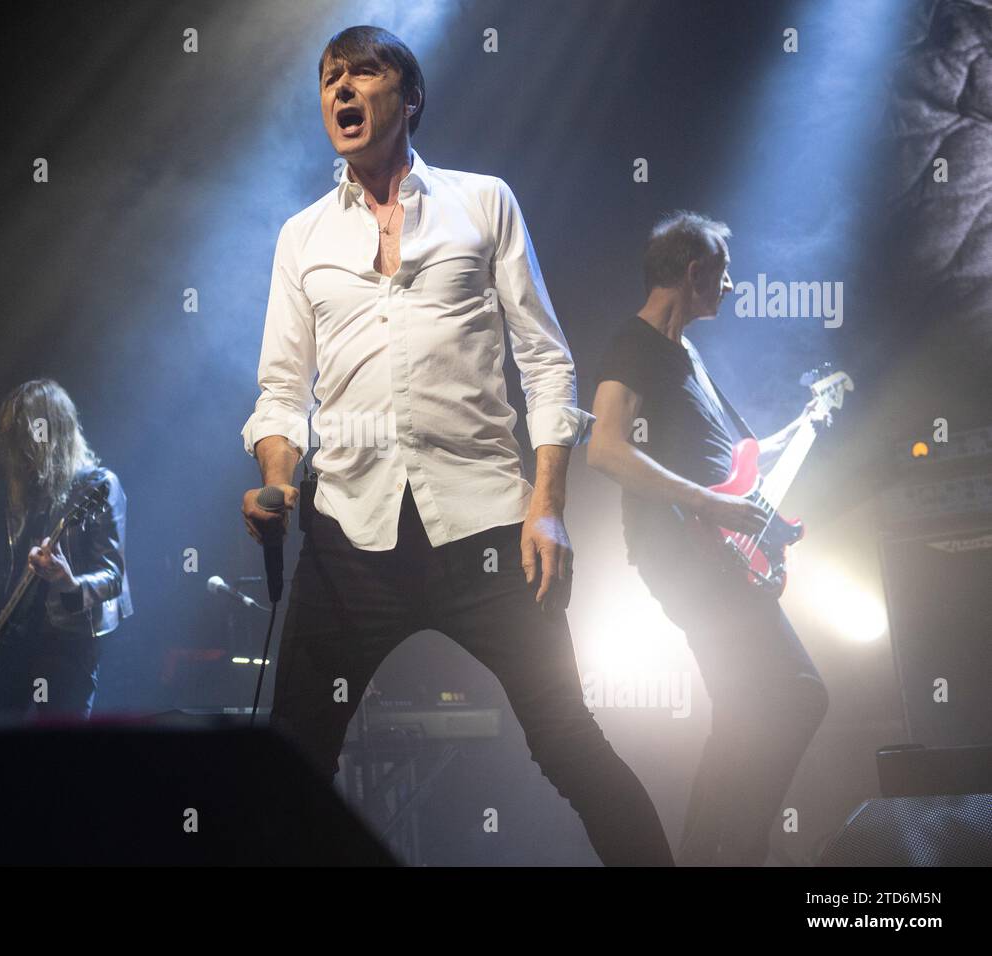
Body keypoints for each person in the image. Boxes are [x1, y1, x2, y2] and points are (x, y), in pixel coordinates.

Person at [240, 25, 673, 865]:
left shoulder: (484, 202)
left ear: (410, 97)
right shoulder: (302, 237)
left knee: (567, 743)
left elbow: (547, 361)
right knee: (289, 759)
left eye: (363, 73)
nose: (341, 90)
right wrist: (277, 483)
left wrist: (546, 511)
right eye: (329, 78)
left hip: (485, 528)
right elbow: (283, 391)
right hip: (350, 542)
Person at [587, 211, 831, 865]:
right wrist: (706, 504)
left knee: (744, 712)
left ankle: (710, 853)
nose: (731, 286)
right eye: (724, 274)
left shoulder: (684, 353)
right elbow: (605, 449)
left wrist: (803, 427)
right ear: (695, 272)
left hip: (710, 554)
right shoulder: (632, 346)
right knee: (798, 695)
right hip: (682, 556)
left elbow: (731, 456)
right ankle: (743, 846)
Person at [0, 379, 131, 719]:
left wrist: (68, 581)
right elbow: (10, 580)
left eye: (25, 439)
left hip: (67, 645)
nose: (20, 452)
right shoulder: (26, 496)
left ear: (52, 433)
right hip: (16, 641)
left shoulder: (98, 485)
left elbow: (113, 576)